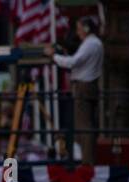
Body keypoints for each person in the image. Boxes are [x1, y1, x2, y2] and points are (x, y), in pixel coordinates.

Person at [46, 17, 103, 163]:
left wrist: (54, 56)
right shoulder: (93, 44)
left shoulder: (91, 44)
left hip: (84, 86)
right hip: (87, 85)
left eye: (79, 29)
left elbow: (73, 62)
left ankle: (87, 161)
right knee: (83, 125)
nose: (77, 33)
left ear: (86, 29)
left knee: (84, 126)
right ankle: (85, 159)